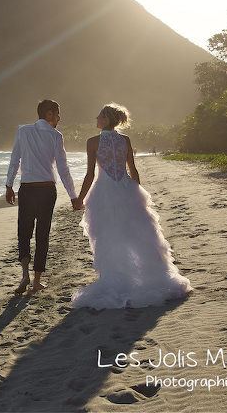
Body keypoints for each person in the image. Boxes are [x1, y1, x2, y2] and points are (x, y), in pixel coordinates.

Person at [71, 103, 191, 309]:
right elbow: (133, 171)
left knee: (109, 235)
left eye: (99, 116)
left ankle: (116, 279)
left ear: (107, 120)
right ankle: (149, 276)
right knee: (136, 233)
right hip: (126, 189)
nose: (96, 119)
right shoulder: (124, 140)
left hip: (104, 191)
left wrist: (80, 198)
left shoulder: (92, 142)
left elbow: (90, 174)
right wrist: (137, 193)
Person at [6, 99, 77, 294]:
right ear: (49, 114)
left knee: (24, 232)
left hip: (27, 188)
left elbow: (15, 159)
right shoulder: (56, 136)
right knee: (42, 234)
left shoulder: (22, 131)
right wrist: (73, 196)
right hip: (47, 190)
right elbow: (63, 168)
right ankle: (36, 281)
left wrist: (8, 185)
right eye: (57, 114)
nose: (59, 118)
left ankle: (24, 274)